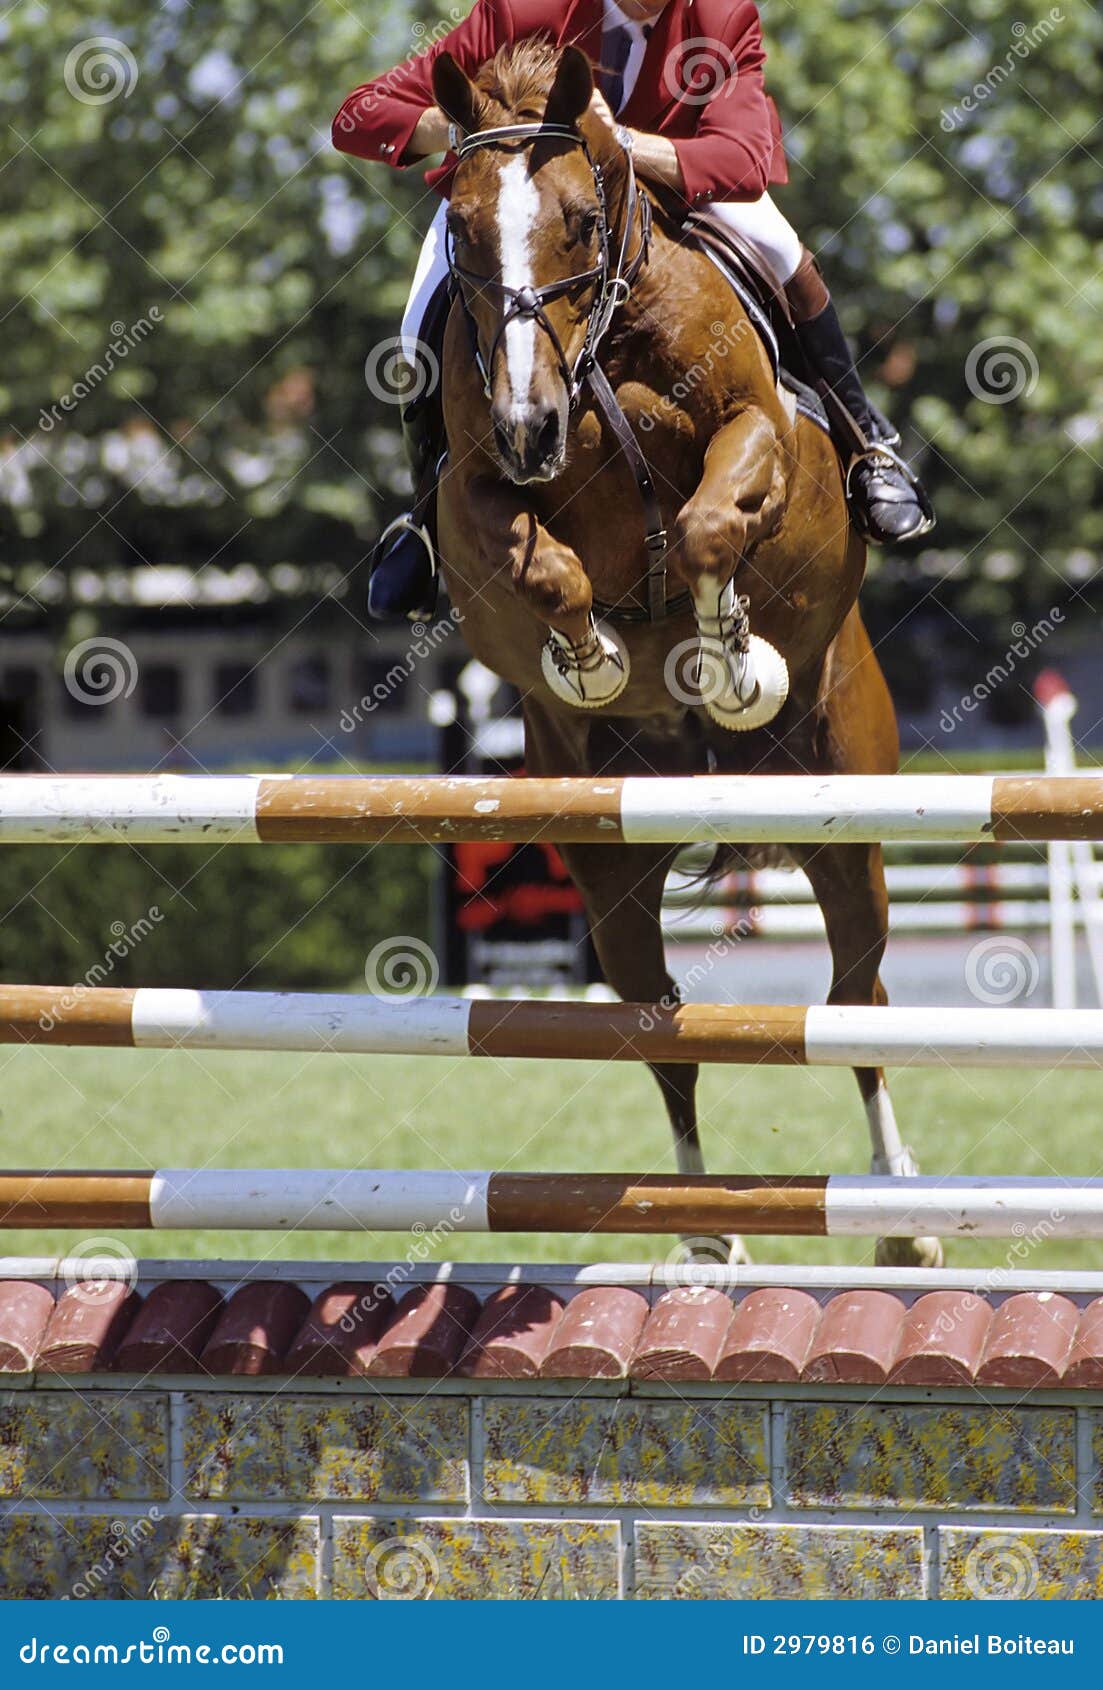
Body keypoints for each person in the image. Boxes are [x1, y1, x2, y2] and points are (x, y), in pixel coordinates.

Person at [334, 0, 934, 620]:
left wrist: (617, 144)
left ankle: (866, 445)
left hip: (666, 191)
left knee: (780, 247)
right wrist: (467, 130)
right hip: (521, 202)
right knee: (416, 321)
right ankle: (425, 514)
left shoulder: (721, 18)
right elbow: (358, 116)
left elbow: (745, 158)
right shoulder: (522, 8)